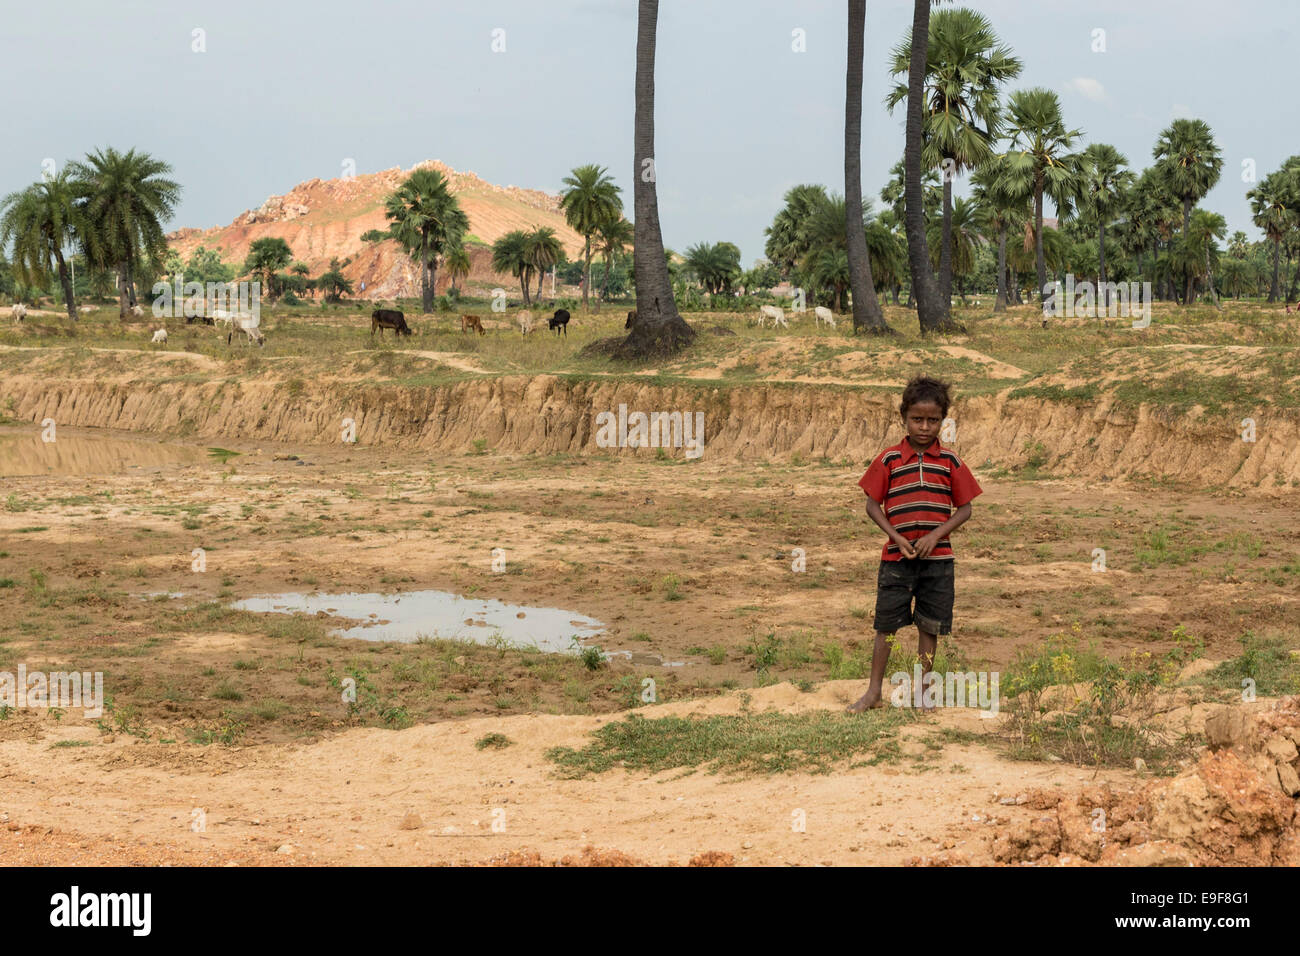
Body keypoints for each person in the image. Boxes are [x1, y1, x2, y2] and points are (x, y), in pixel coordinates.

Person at [847, 375, 983, 712]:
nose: (924, 427)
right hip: (896, 559)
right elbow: (872, 505)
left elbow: (965, 509)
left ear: (942, 421)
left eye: (932, 420)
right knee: (886, 626)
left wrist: (936, 536)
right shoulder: (888, 460)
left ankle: (923, 693)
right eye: (917, 419)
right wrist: (895, 537)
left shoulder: (951, 462)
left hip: (938, 561)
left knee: (929, 626)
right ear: (904, 418)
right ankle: (874, 692)